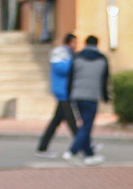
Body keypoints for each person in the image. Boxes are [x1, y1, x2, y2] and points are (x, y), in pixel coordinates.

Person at [63, 35, 109, 166]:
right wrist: (105, 97)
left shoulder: (77, 57)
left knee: (84, 125)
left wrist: (69, 93)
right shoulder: (102, 59)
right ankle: (72, 151)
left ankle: (89, 154)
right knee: (87, 125)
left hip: (77, 95)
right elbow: (104, 80)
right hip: (92, 96)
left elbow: (71, 77)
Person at [35, 33, 79, 156]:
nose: (76, 45)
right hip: (62, 91)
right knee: (71, 120)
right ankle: (84, 143)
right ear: (69, 42)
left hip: (65, 91)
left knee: (56, 121)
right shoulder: (61, 53)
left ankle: (42, 147)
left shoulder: (69, 54)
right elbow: (62, 69)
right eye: (74, 42)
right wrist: (74, 61)